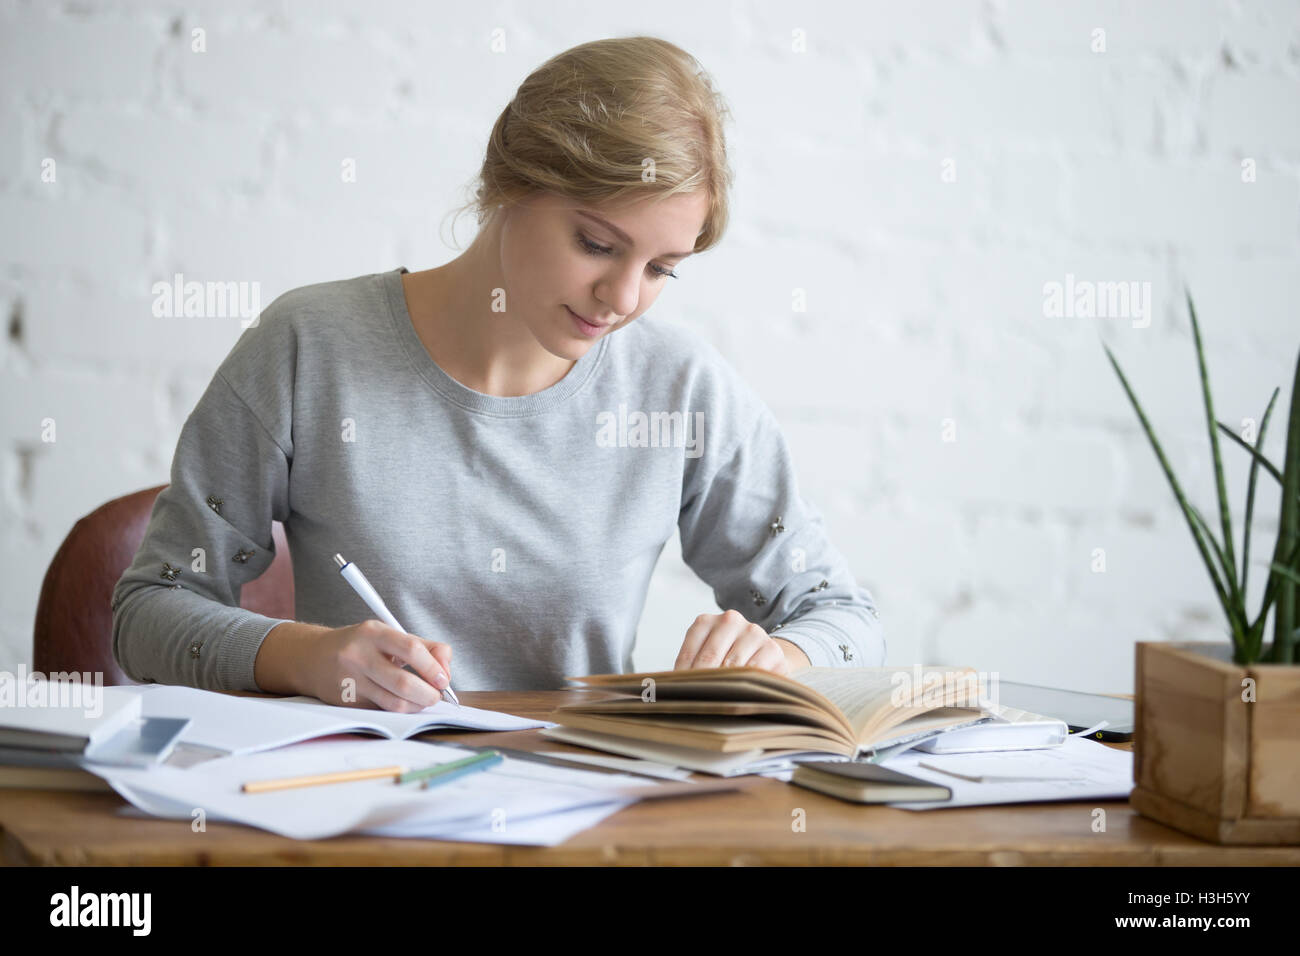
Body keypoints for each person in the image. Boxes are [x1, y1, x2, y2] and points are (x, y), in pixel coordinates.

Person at [111, 36, 885, 713]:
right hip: (364, 804)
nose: (621, 299)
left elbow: (844, 619)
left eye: (662, 270)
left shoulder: (680, 391)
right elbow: (150, 611)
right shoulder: (310, 347)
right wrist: (304, 657)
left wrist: (779, 659)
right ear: (511, 184)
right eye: (597, 244)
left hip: (589, 809)